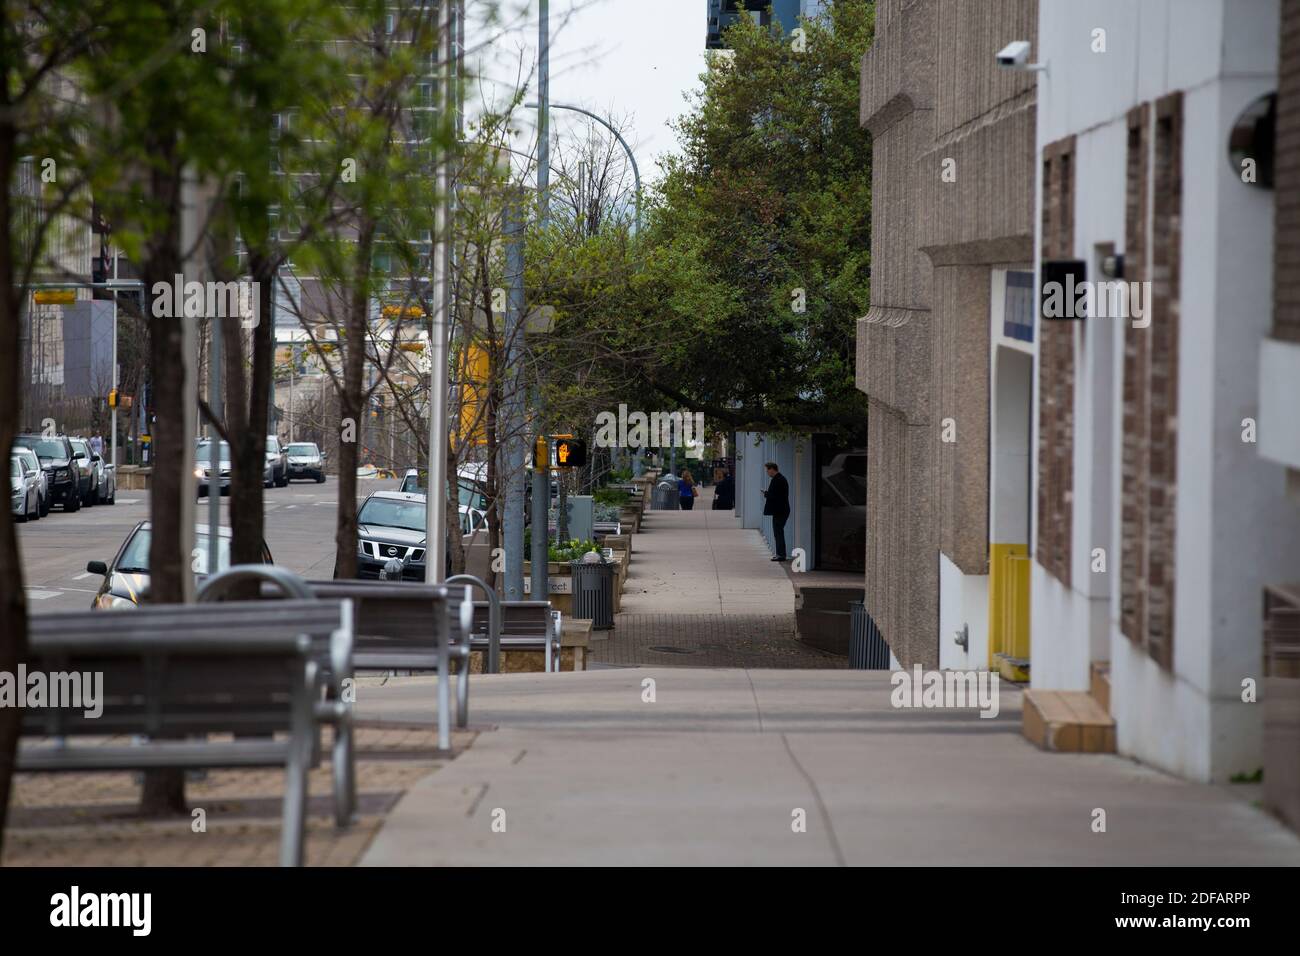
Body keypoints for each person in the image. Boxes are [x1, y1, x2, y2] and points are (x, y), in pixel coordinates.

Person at [761, 461, 790, 561]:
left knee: (778, 532)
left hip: (780, 510)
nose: (767, 473)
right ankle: (780, 554)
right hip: (780, 510)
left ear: (772, 469)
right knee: (778, 532)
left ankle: (781, 555)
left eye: (767, 470)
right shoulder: (779, 479)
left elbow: (777, 496)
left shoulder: (778, 480)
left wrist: (766, 493)